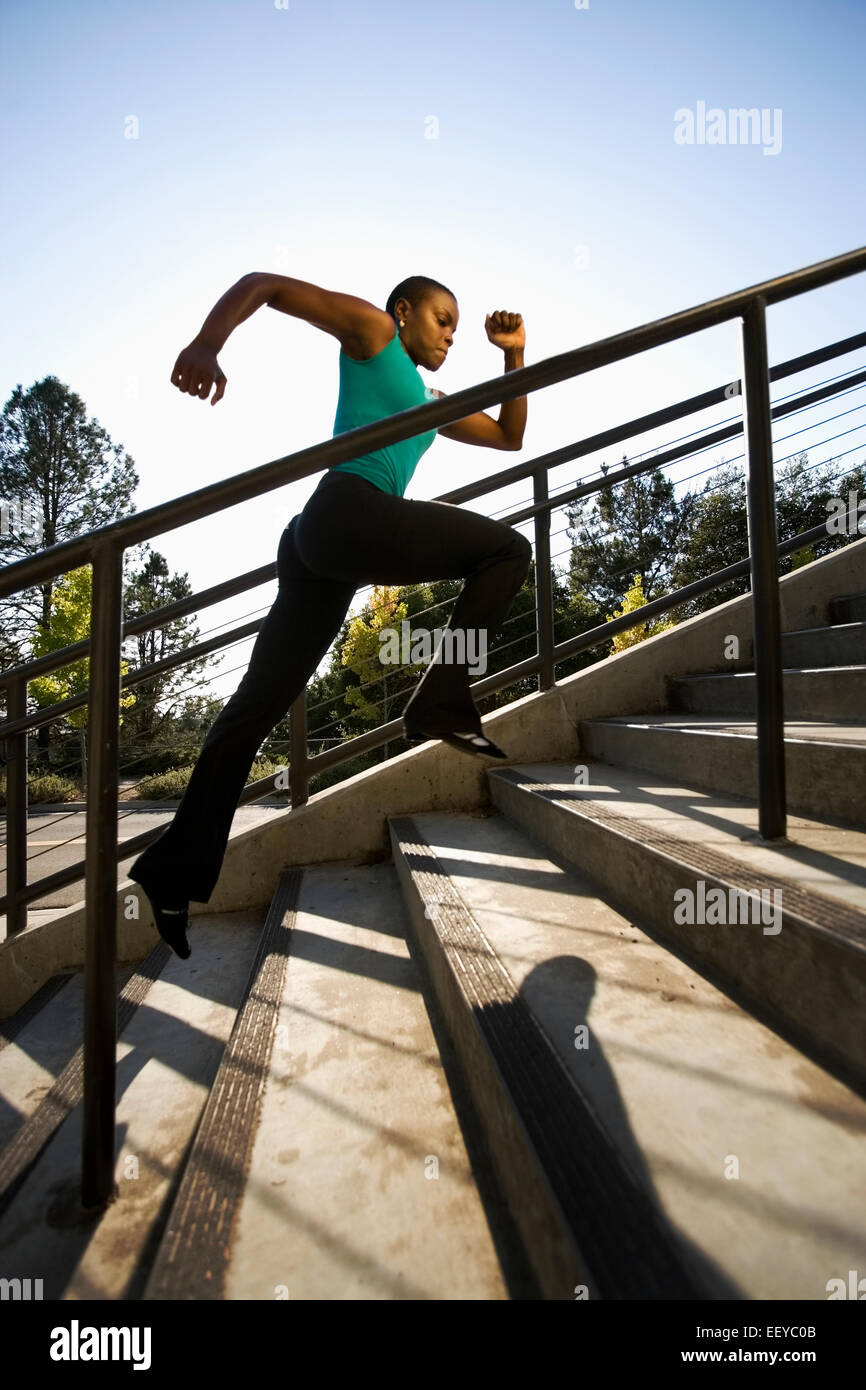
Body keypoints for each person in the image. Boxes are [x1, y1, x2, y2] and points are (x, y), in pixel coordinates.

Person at [129, 271, 532, 959]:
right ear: (403, 312)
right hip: (349, 511)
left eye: (457, 329)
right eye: (440, 319)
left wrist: (514, 356)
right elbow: (265, 284)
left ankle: (172, 872)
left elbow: (507, 436)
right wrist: (207, 343)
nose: (449, 335)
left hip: (324, 543)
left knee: (254, 710)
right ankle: (439, 699)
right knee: (507, 550)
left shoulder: (429, 401)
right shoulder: (374, 338)